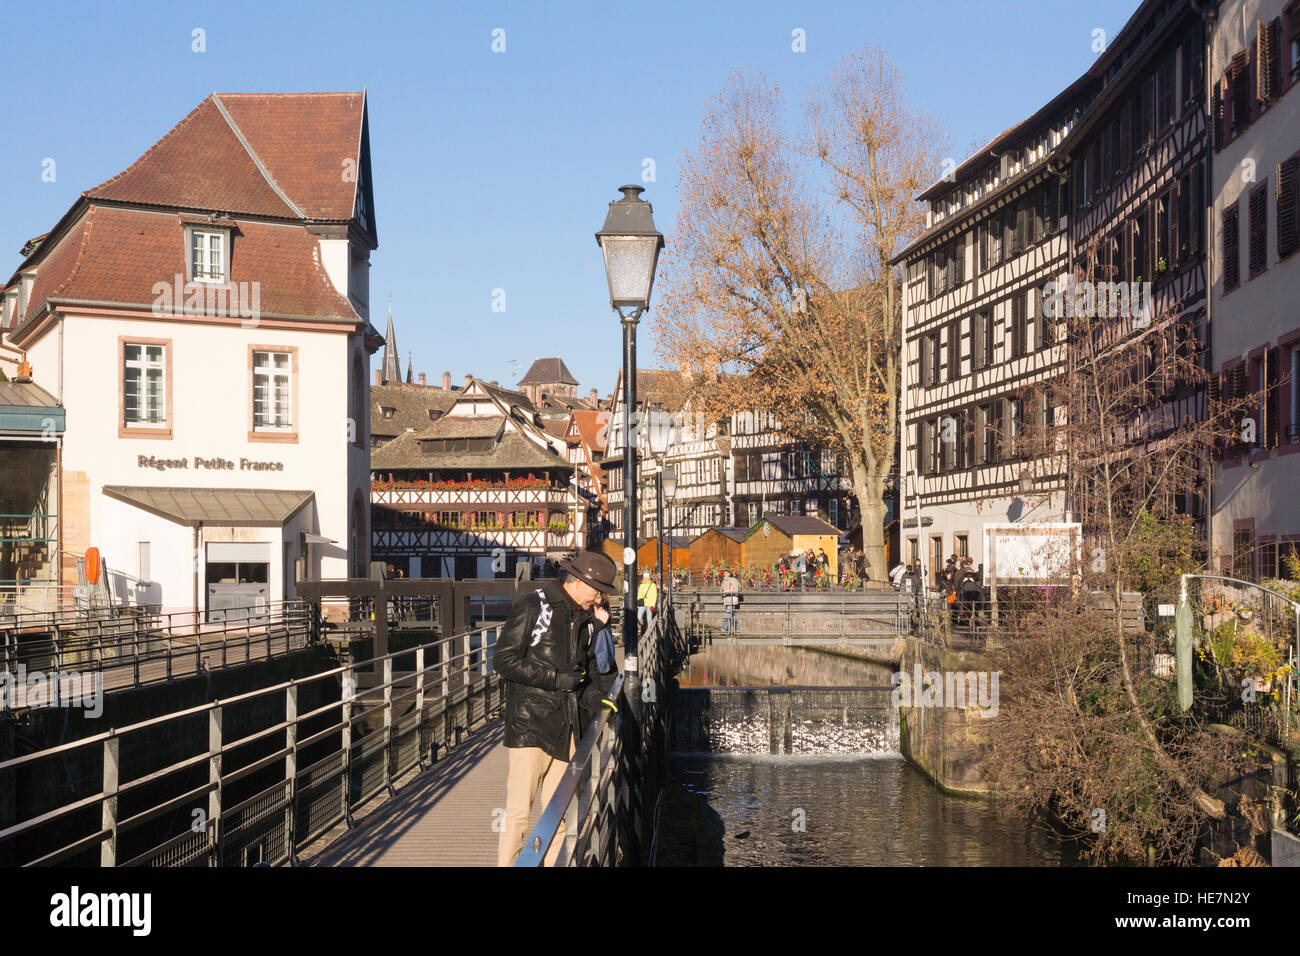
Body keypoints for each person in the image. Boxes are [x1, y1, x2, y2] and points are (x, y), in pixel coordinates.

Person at [494, 550, 616, 867]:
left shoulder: (586, 619)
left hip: (568, 727)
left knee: (560, 813)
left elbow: (587, 673)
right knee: (519, 812)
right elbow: (503, 660)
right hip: (530, 726)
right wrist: (556, 679)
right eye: (598, 589)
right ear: (580, 582)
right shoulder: (535, 605)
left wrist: (599, 703)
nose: (599, 597)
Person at [636, 568, 658, 634]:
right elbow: (639, 594)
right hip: (643, 604)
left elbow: (654, 595)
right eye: (644, 577)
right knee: (639, 618)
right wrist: (638, 604)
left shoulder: (652, 585)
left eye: (645, 577)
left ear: (648, 578)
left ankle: (649, 632)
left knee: (648, 618)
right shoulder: (642, 585)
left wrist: (653, 605)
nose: (644, 578)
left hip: (649, 604)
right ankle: (636, 630)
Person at [720, 569, 740, 633]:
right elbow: (721, 589)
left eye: (726, 573)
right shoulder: (723, 581)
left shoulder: (733, 580)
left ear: (729, 573)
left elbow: (736, 589)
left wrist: (726, 591)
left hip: (732, 599)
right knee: (731, 615)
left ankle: (723, 628)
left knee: (728, 613)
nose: (724, 574)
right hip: (726, 600)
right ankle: (737, 630)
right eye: (724, 573)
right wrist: (721, 591)